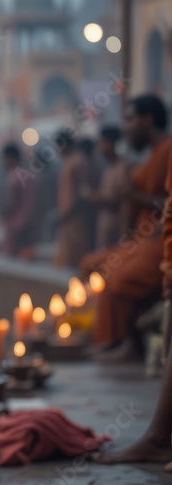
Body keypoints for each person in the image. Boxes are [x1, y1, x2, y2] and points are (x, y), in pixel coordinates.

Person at [80, 94, 171, 362]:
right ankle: (106, 337)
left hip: (158, 240)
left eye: (130, 120)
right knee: (90, 263)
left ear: (148, 119)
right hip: (140, 239)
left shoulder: (168, 150)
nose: (126, 128)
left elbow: (166, 202)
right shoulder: (152, 154)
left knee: (117, 278)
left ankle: (125, 342)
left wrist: (134, 195)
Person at [84, 126, 129, 250]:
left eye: (101, 143)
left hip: (116, 228)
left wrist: (92, 197)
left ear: (109, 144)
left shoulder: (123, 168)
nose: (99, 148)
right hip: (105, 228)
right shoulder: (108, 170)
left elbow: (117, 199)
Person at [53, 130, 92, 269]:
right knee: (65, 258)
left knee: (75, 260)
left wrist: (67, 214)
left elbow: (82, 193)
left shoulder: (78, 161)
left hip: (76, 219)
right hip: (66, 220)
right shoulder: (69, 161)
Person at [0, 143, 37, 257]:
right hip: (29, 222)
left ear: (10, 158)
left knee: (13, 257)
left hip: (16, 225)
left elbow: (12, 202)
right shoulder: (26, 174)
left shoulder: (14, 177)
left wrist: (1, 214)